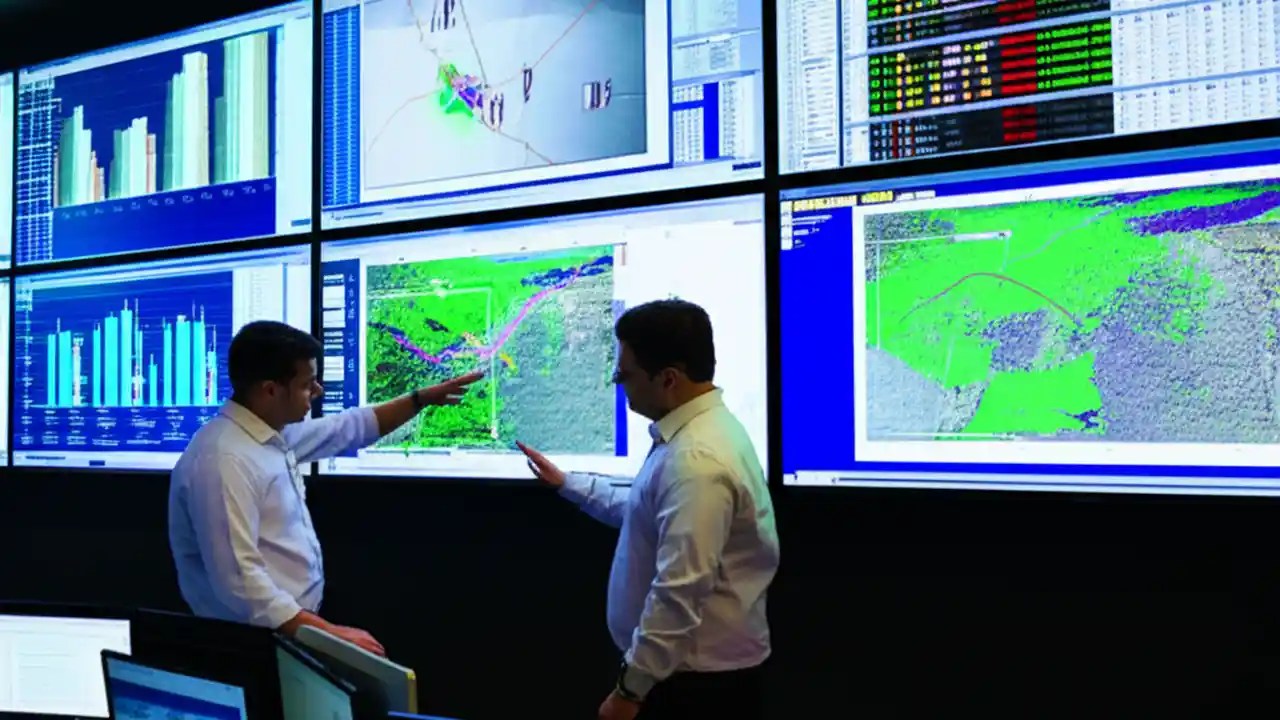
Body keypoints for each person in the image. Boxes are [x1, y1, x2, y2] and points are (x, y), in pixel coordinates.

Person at [517, 299, 779, 720]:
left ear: (669, 378)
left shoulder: (696, 458)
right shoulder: (697, 435)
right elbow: (650, 515)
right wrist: (569, 484)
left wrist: (630, 690)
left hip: (689, 686)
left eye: (625, 375)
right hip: (683, 674)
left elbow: (680, 590)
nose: (619, 383)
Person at [169, 320, 481, 656]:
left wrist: (421, 399)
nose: (318, 391)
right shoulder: (224, 461)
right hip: (254, 644)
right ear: (270, 390)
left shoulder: (266, 436)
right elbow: (241, 585)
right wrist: (332, 635)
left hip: (291, 630)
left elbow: (347, 428)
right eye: (307, 384)